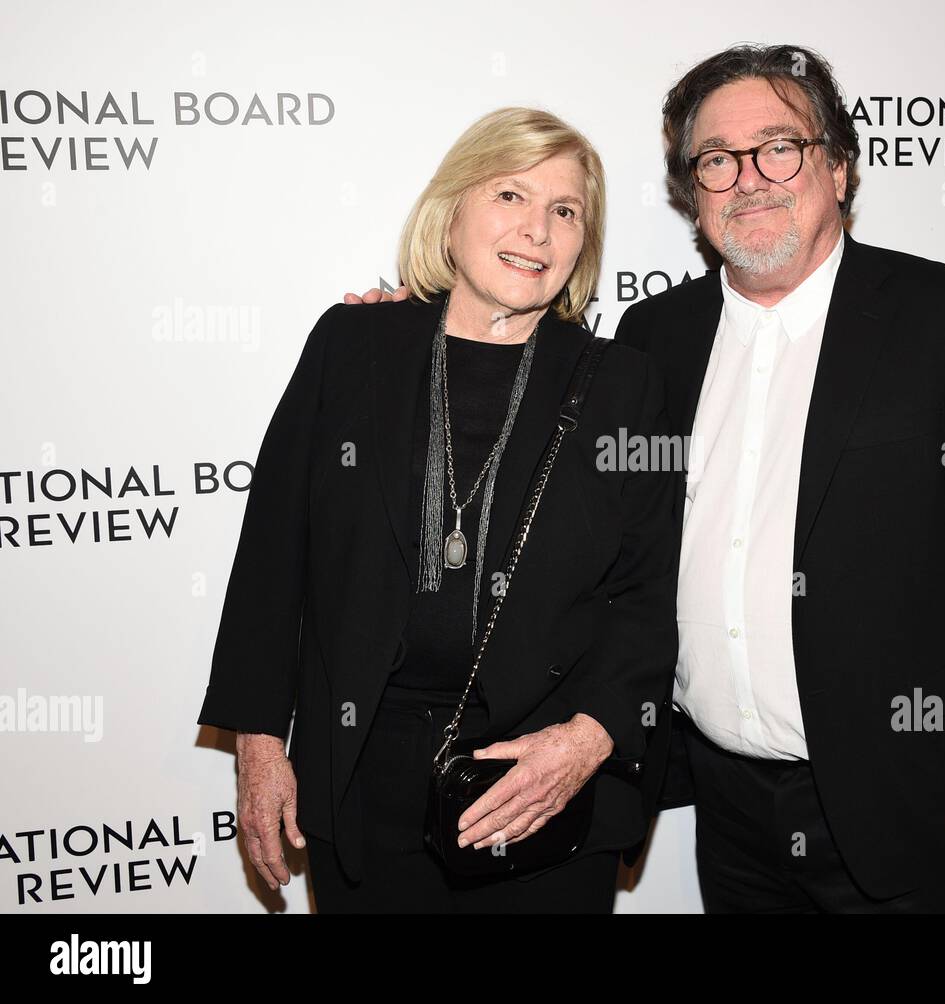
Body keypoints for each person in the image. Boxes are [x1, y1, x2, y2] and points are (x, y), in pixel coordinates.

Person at [352, 44, 945, 914]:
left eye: (780, 147)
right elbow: (592, 519)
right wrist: (413, 331)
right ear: (692, 195)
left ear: (838, 169)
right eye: (716, 162)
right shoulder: (654, 337)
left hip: (901, 790)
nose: (749, 179)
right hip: (720, 799)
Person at [198, 107, 678, 913]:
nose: (537, 230)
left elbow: (648, 595)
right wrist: (258, 745)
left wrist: (587, 740)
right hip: (362, 771)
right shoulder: (351, 349)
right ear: (450, 213)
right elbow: (275, 556)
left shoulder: (623, 384)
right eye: (511, 197)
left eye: (565, 212)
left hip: (540, 779)